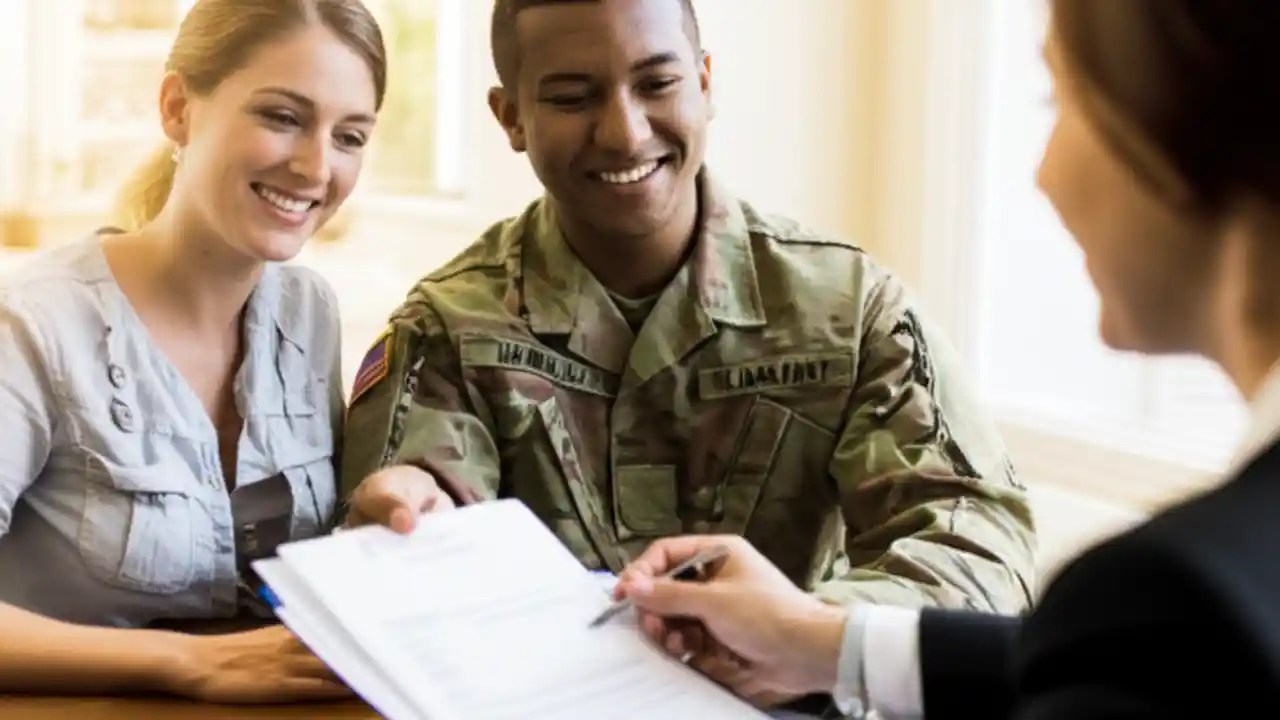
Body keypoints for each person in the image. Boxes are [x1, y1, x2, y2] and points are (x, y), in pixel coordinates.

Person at [614, 0, 1280, 718]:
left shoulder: (1173, 601)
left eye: (1061, 101)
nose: (1044, 175)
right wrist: (825, 642)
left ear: (1172, 141)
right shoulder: (1185, 621)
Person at [341, 0, 1034, 663]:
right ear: (511, 116)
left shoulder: (850, 312)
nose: (625, 133)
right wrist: (408, 533)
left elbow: (975, 549)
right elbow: (415, 538)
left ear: (704, 83)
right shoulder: (449, 327)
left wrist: (802, 635)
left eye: (657, 84)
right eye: (573, 98)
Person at [0, 0, 385, 703]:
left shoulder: (308, 312)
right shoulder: (32, 324)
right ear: (177, 108)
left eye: (350, 136)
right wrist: (189, 662)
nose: (315, 166)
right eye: (282, 116)